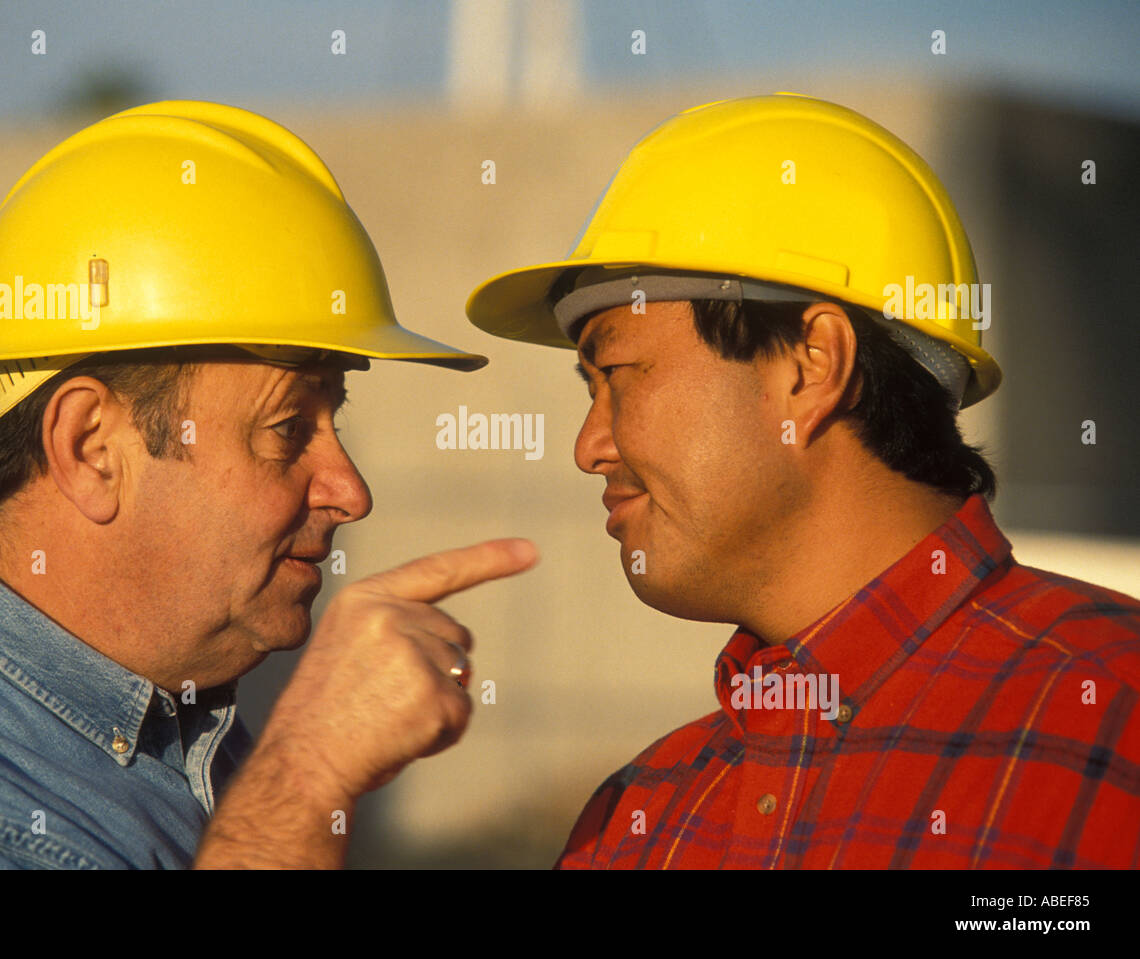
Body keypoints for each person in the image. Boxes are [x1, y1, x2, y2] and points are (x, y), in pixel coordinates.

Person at [0, 100, 536, 869]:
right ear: (91, 447)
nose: (349, 490)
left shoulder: (156, 713)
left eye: (333, 416)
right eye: (286, 428)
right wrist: (300, 784)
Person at [465, 93, 1140, 868]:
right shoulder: (636, 819)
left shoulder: (1115, 715)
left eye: (619, 372)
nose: (589, 447)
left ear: (810, 364)